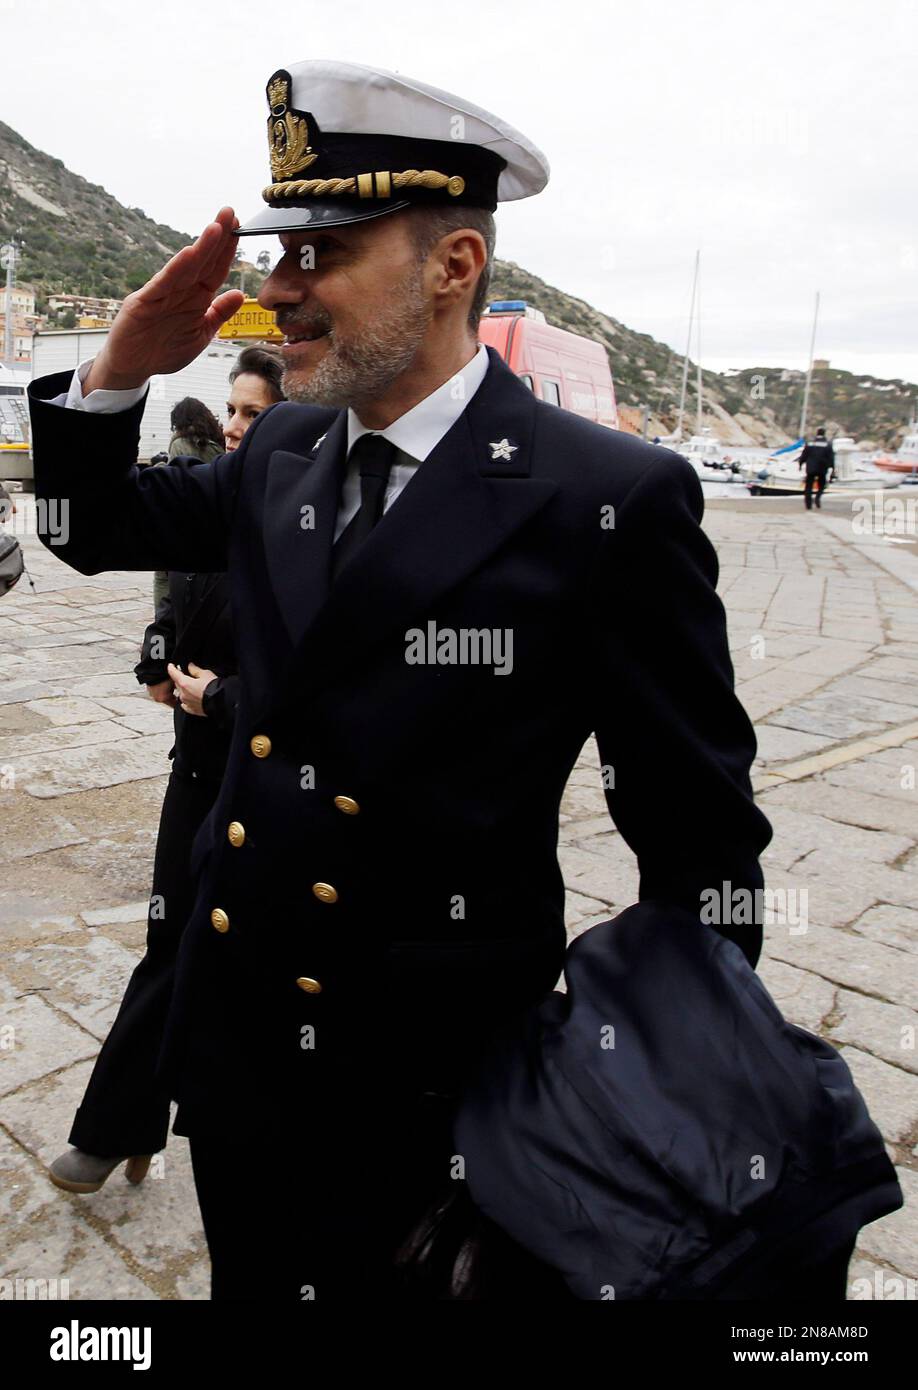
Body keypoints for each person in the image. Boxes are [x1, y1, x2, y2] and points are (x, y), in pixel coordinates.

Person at [29, 60, 774, 1300]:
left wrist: (636, 1112)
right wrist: (118, 371)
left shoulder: (603, 499)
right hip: (242, 1049)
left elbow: (702, 849)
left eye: (320, 254)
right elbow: (78, 523)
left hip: (441, 1100)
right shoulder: (283, 449)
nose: (277, 293)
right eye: (280, 256)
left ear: (453, 265)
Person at [47, 347, 285, 1194]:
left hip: (270, 776)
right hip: (197, 769)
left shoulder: (320, 514)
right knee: (169, 942)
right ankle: (122, 1124)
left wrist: (223, 696)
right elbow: (166, 582)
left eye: (253, 412)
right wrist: (158, 654)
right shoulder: (217, 492)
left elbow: (335, 682)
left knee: (245, 961)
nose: (232, 425)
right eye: (233, 408)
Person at [152, 399, 225, 610]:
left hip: (180, 522)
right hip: (209, 523)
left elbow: (176, 481)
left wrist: (159, 468)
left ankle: (166, 627)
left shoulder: (180, 443)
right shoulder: (217, 443)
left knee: (164, 579)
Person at [798, 426, 835, 510]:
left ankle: (808, 503)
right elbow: (831, 457)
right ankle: (818, 497)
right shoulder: (828, 444)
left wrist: (800, 464)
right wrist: (832, 468)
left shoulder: (810, 443)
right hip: (822, 468)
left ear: (817, 433)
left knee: (808, 486)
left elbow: (804, 455)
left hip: (811, 468)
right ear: (824, 433)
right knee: (822, 485)